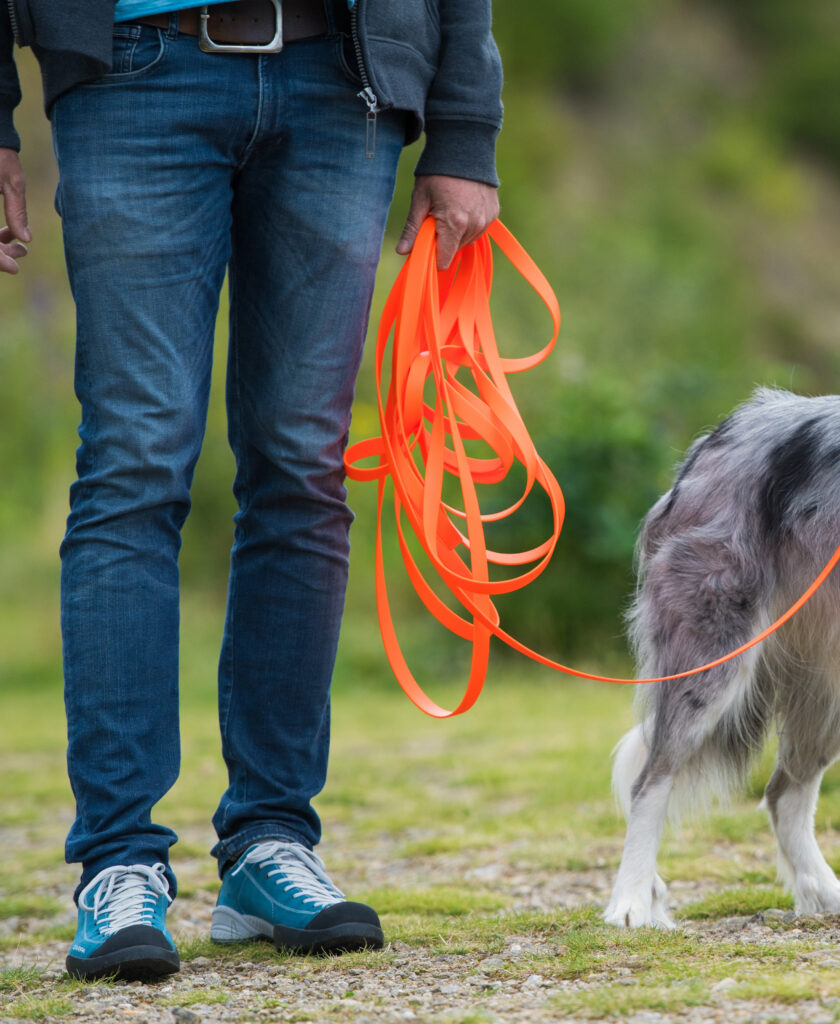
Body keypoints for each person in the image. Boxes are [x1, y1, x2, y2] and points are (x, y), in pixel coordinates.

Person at [0, 0, 503, 982]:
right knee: (134, 464)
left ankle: (272, 845)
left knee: (305, 468)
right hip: (129, 71)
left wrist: (466, 123)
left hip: (341, 81)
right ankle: (121, 860)